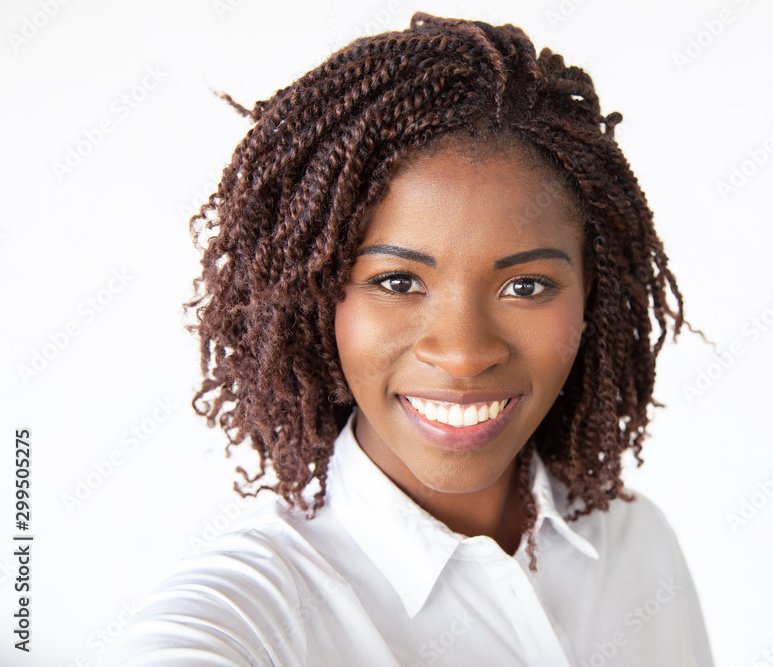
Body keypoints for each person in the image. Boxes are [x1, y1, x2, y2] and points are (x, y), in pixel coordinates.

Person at [101, 12, 714, 666]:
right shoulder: (258, 609)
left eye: (528, 286)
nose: (464, 352)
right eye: (397, 281)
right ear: (319, 298)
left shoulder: (634, 541)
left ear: (591, 292)